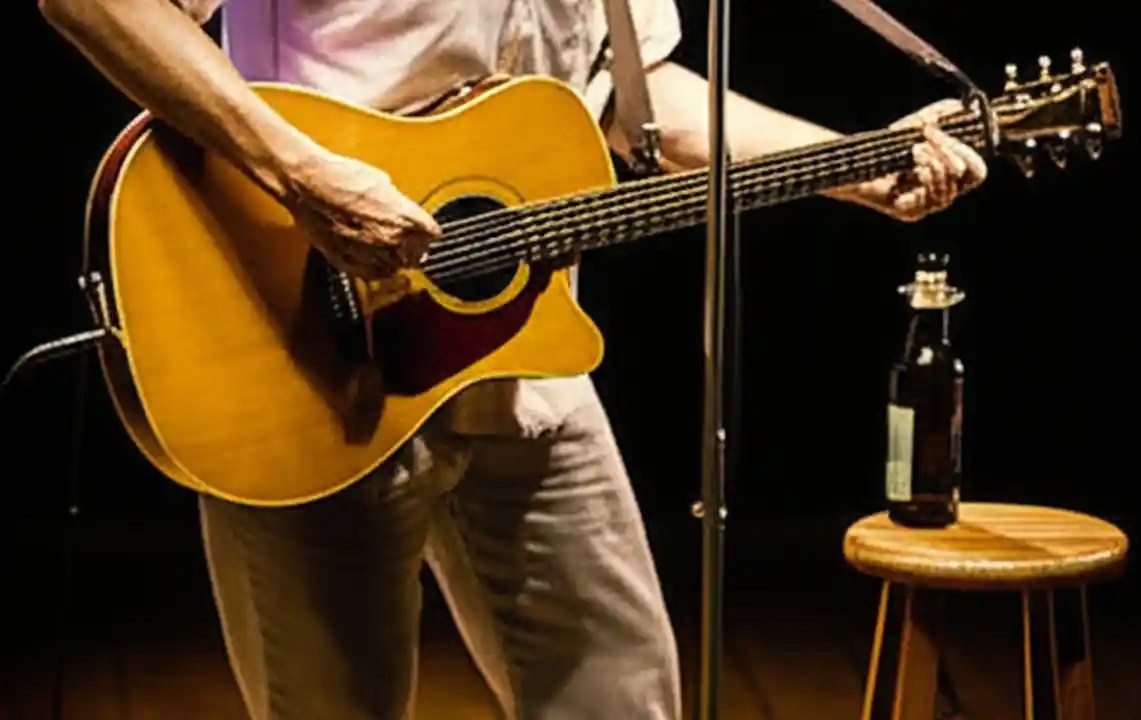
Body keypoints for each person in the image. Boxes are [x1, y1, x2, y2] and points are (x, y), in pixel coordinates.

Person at [38, 0, 987, 717]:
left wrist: (857, 163)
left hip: (522, 356)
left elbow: (639, 99)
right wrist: (303, 174)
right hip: (302, 347)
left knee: (621, 696)